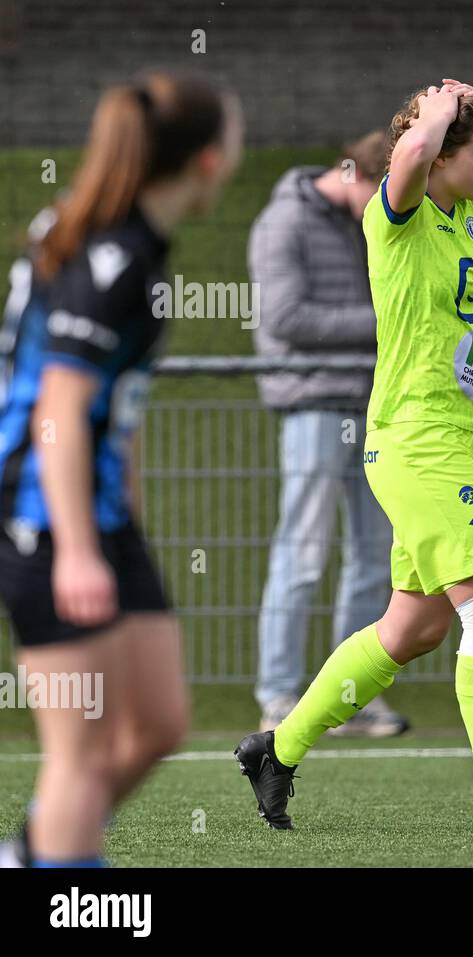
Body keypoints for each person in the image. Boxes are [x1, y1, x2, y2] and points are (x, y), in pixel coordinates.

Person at [235, 78, 473, 833]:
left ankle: (277, 747)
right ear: (436, 157)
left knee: (412, 629)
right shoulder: (397, 214)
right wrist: (434, 114)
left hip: (447, 440)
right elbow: (415, 153)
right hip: (417, 441)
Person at [0, 73, 242, 867]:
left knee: (158, 723)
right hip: (41, 519)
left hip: (96, 516)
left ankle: (35, 852)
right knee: (81, 753)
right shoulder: (109, 258)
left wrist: (115, 519)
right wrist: (73, 545)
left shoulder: (136, 245)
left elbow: (109, 409)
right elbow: (58, 409)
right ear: (208, 159)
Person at [250, 131, 409, 738]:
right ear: (352, 174)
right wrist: (388, 321)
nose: (383, 206)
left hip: (372, 405)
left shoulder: (359, 220)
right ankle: (280, 696)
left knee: (375, 557)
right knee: (302, 553)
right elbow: (284, 318)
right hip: (312, 406)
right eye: (377, 191)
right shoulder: (281, 222)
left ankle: (351, 696)